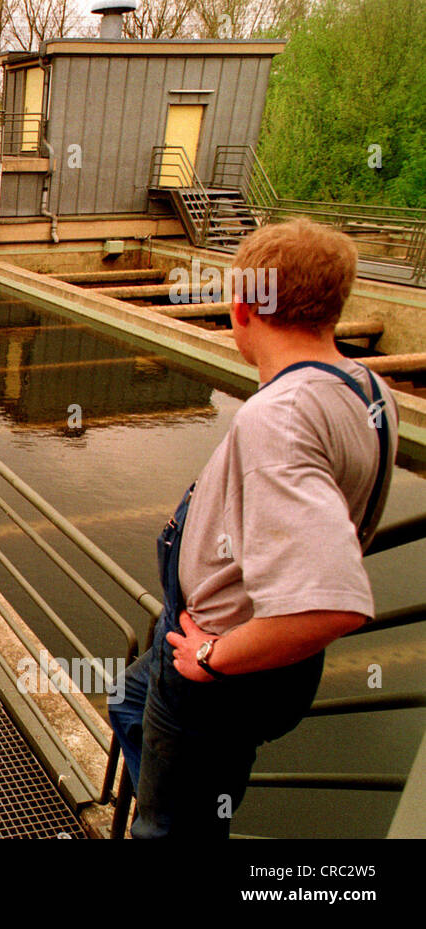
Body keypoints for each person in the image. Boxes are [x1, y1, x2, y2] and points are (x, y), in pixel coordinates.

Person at [109, 218, 398, 838]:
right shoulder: (367, 388)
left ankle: (179, 811)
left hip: (220, 667)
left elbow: (332, 605)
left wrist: (212, 659)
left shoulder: (278, 419)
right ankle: (189, 794)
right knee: (128, 704)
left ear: (242, 308)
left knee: (167, 830)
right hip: (243, 657)